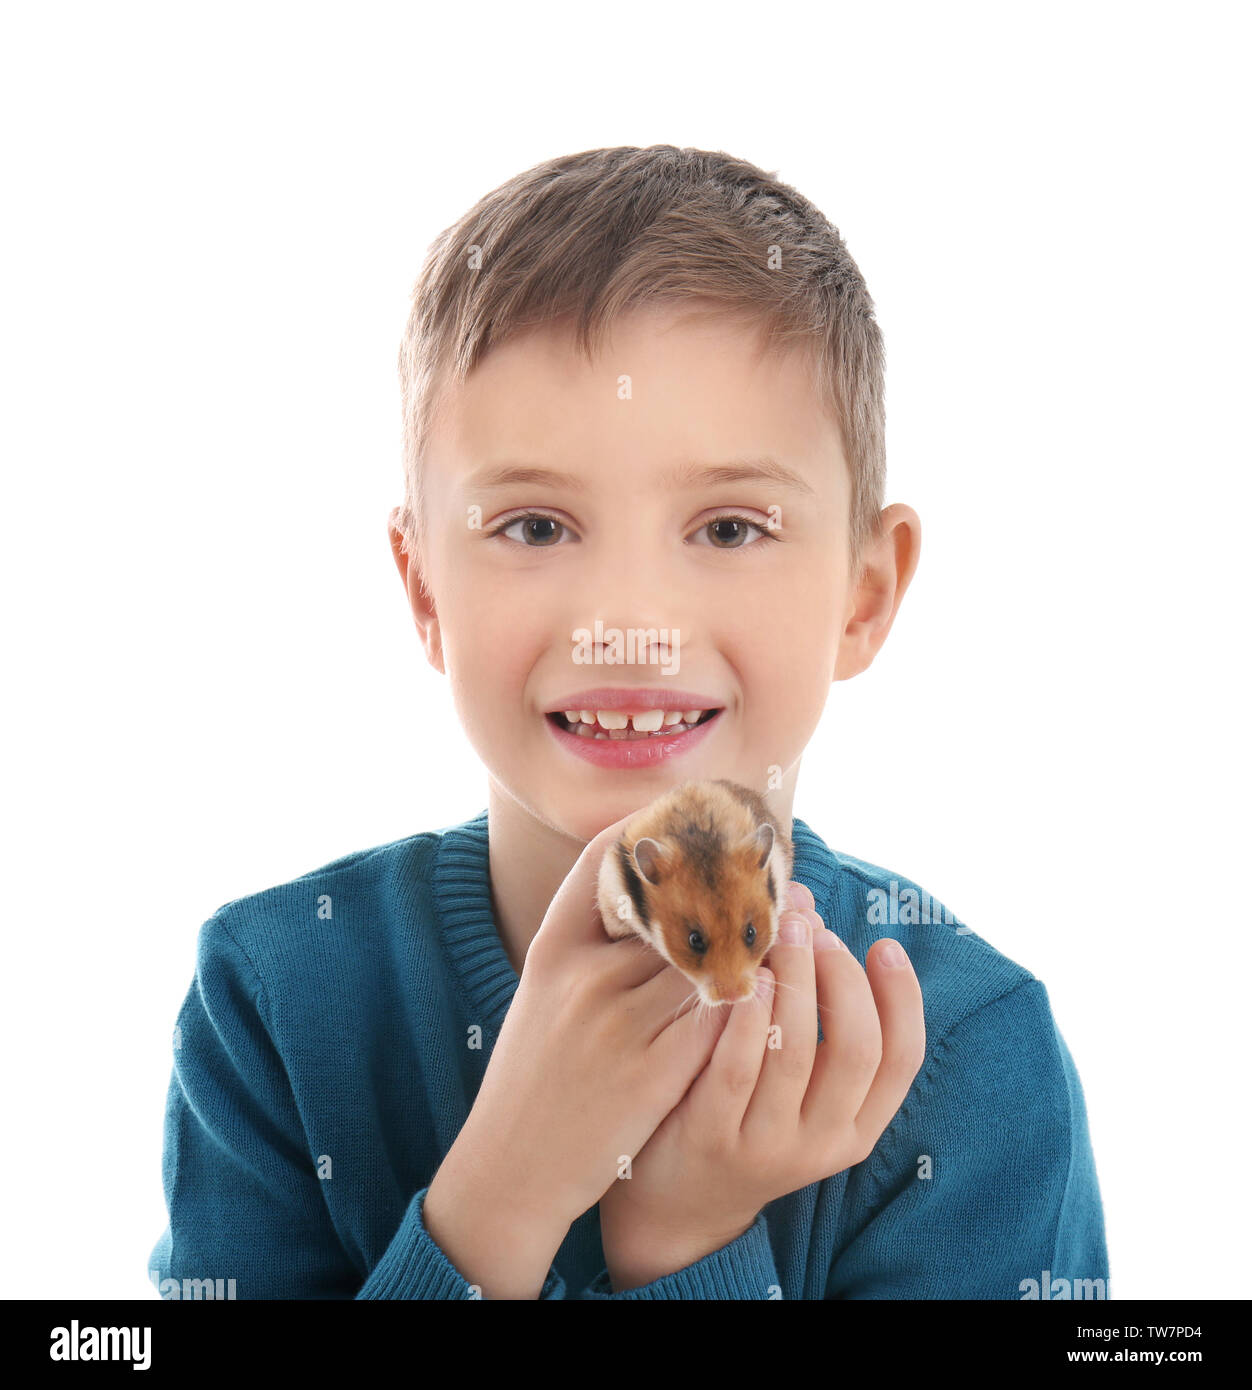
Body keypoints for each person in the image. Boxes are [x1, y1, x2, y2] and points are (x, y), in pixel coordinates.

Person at [149, 145, 1108, 1300]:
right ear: (423, 592)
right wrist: (497, 1197)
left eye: (729, 527)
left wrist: (681, 1241)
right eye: (537, 527)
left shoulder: (970, 1057)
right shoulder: (273, 1000)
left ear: (864, 594)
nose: (629, 626)